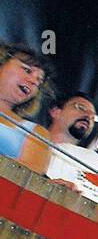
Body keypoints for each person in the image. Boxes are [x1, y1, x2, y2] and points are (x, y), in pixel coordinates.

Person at [0, 43, 54, 173]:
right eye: (27, 70)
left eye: (39, 81)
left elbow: (28, 176)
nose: (34, 82)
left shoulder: (35, 132)